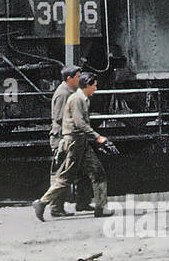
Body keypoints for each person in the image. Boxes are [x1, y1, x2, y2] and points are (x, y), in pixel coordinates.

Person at [33, 73, 111, 220]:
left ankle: (101, 208)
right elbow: (79, 122)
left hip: (80, 142)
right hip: (75, 143)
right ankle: (42, 203)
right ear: (87, 85)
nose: (96, 88)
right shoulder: (77, 99)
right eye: (94, 85)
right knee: (66, 177)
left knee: (98, 172)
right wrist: (97, 137)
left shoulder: (82, 99)